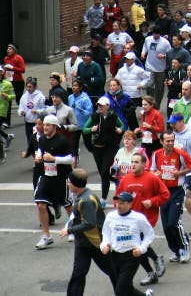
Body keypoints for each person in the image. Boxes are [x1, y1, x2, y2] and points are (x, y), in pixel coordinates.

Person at [116, 152, 169, 287]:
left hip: (147, 218)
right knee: (136, 246)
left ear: (144, 164)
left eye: (136, 162)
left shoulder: (152, 179)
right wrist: (119, 208)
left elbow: (165, 195)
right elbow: (117, 197)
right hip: (129, 220)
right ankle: (154, 264)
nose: (133, 164)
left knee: (137, 244)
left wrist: (152, 201)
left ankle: (152, 269)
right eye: (132, 162)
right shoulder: (126, 180)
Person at [63, 168, 117, 296]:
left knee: (113, 271)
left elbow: (89, 223)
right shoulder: (82, 195)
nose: (67, 184)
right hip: (83, 243)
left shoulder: (86, 200)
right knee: (78, 274)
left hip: (96, 243)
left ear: (75, 184)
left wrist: (69, 230)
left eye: (69, 182)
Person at [150, 131, 191, 264]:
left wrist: (179, 173)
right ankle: (175, 250)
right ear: (161, 142)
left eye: (172, 141)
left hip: (177, 191)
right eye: (167, 141)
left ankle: (184, 247)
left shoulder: (180, 154)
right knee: (166, 226)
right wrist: (156, 174)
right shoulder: (156, 154)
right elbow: (151, 170)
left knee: (173, 223)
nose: (170, 143)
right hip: (163, 192)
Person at [100, 191, 155, 296]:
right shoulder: (111, 216)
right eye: (117, 202)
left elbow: (149, 234)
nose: (118, 205)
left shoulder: (138, 218)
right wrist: (105, 245)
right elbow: (106, 233)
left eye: (121, 203)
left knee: (120, 291)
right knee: (127, 289)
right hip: (115, 255)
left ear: (129, 204)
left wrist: (141, 249)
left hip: (131, 256)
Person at [34, 114, 76, 250]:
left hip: (61, 178)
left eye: (47, 125)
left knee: (68, 205)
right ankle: (46, 236)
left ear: (54, 127)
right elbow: (39, 151)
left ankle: (73, 228)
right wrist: (38, 157)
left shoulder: (62, 141)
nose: (44, 127)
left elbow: (71, 159)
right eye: (44, 125)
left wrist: (54, 159)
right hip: (46, 176)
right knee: (41, 205)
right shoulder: (42, 140)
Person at [83, 96, 124, 206]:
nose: (99, 107)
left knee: (105, 171)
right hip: (97, 148)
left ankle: (103, 199)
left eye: (102, 105)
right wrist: (91, 129)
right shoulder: (94, 116)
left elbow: (122, 125)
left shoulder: (113, 116)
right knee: (103, 173)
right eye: (98, 105)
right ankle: (116, 180)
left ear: (107, 106)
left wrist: (119, 130)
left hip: (110, 148)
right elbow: (84, 129)